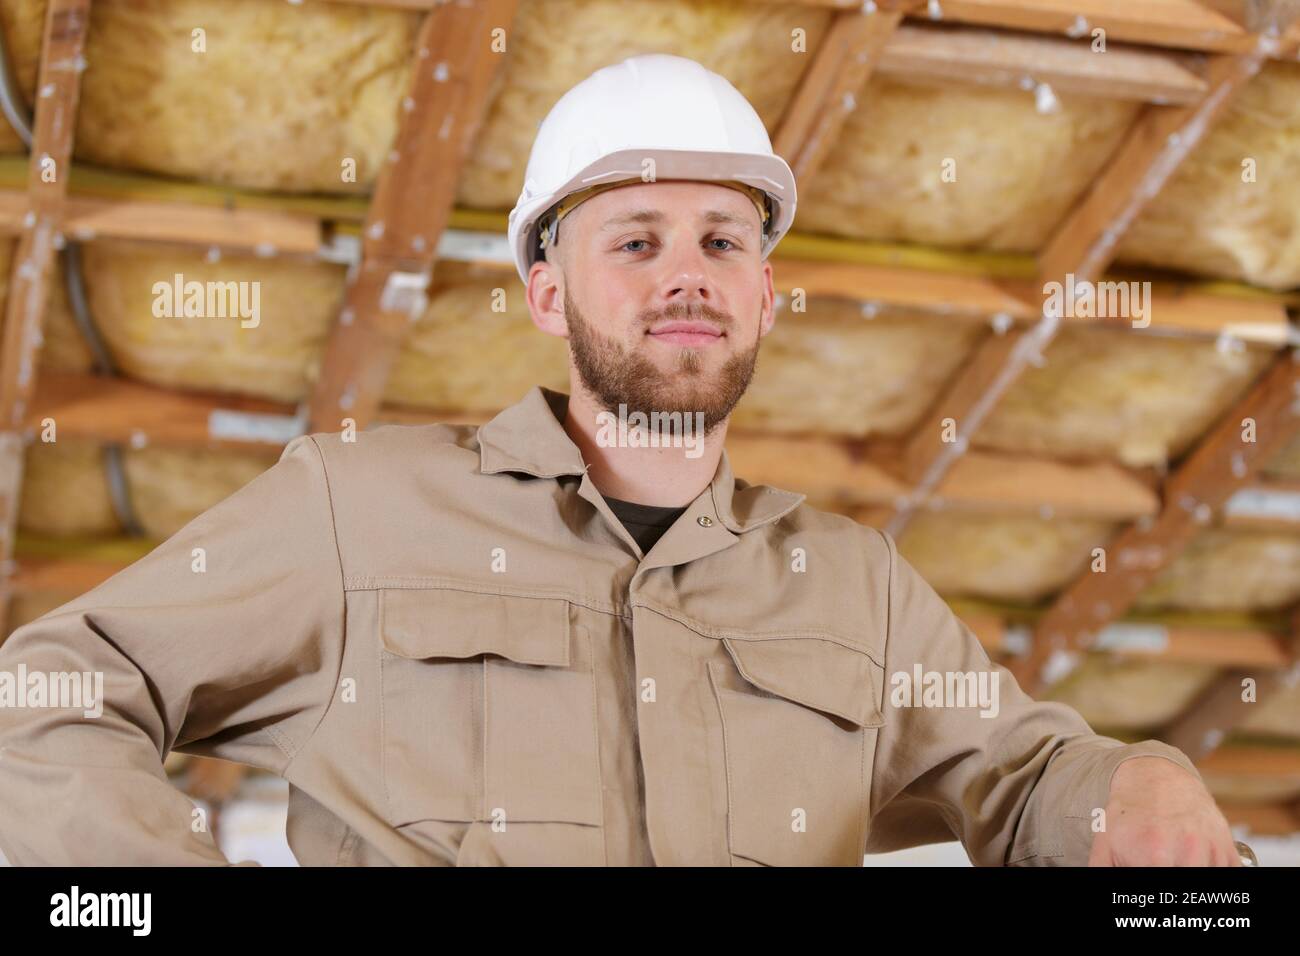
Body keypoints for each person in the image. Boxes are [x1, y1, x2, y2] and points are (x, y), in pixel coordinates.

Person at [0, 54, 1238, 866]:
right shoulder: (357, 513)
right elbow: (53, 684)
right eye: (634, 240)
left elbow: (1028, 775)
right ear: (546, 290)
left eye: (721, 238)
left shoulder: (857, 591)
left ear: (764, 293)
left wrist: (1137, 782)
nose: (687, 272)